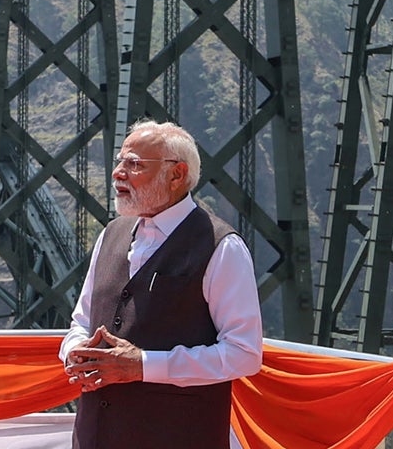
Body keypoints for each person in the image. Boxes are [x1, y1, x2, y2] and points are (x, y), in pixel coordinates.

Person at [60, 119, 262, 449]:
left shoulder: (221, 247)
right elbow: (81, 322)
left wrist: (143, 366)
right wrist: (74, 351)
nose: (118, 174)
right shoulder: (110, 235)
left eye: (135, 164)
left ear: (177, 175)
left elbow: (245, 354)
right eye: (120, 162)